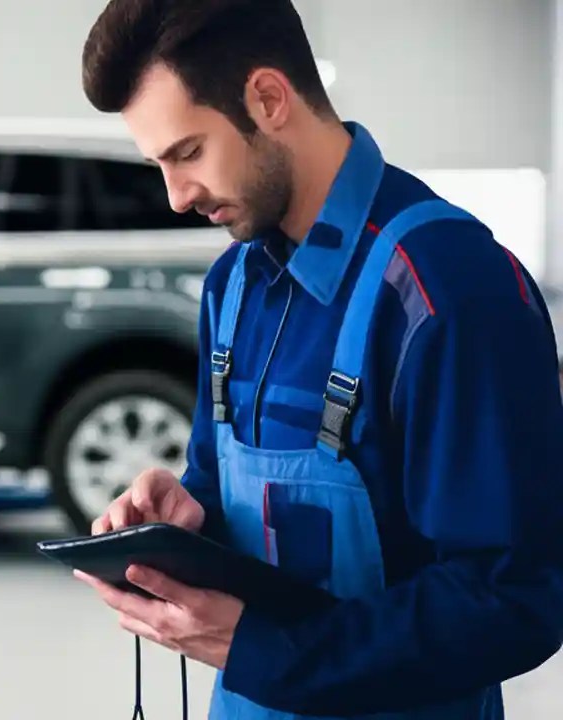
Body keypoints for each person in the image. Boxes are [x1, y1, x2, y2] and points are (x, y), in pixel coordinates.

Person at [74, 1, 563, 718]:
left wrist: (269, 651)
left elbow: (513, 597)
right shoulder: (233, 283)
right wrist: (187, 517)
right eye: (160, 164)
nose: (176, 196)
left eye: (187, 153)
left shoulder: (449, 289)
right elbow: (220, 479)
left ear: (268, 99)